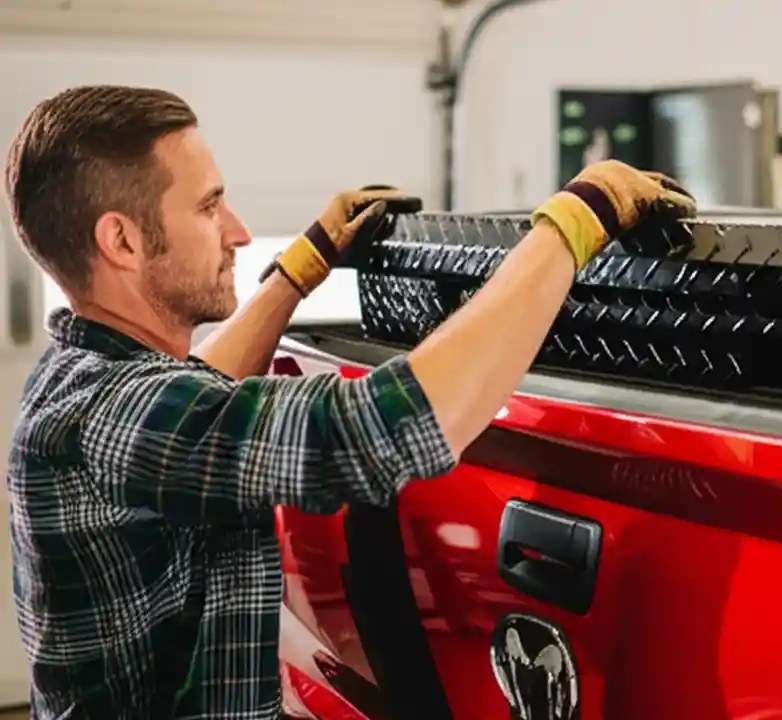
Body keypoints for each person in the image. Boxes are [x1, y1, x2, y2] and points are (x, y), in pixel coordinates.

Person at [3, 84, 695, 719]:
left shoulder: (87, 375)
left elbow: (203, 394)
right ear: (121, 240)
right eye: (209, 206)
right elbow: (391, 426)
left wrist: (304, 267)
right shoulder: (113, 417)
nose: (239, 230)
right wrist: (575, 224)